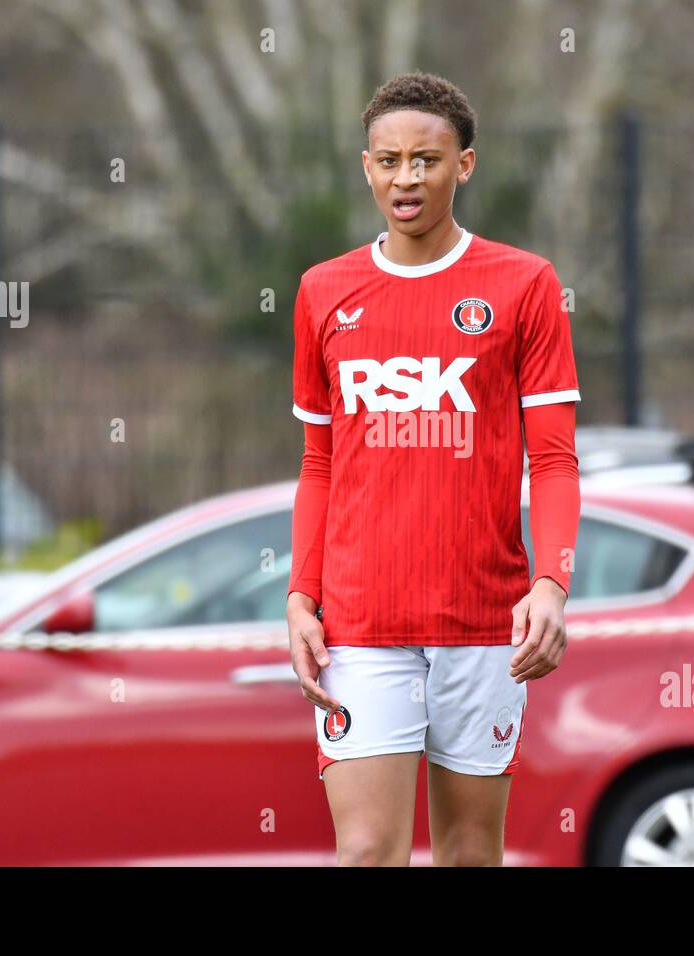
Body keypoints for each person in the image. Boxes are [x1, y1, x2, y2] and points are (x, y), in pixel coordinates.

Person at [285, 72, 580, 867]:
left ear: (465, 166)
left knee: (467, 854)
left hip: (482, 621)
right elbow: (319, 464)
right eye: (388, 161)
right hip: (361, 623)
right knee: (368, 852)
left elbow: (552, 459)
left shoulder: (524, 285)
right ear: (366, 167)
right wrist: (301, 596)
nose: (406, 178)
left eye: (426, 159)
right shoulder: (323, 291)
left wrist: (549, 585)